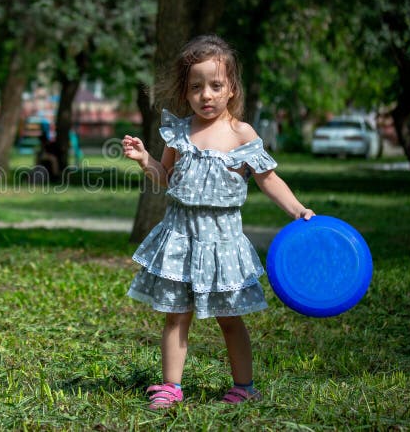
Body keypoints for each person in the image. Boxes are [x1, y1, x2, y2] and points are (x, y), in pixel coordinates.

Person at [122, 35, 314, 409]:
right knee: (176, 315)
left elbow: (268, 178)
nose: (205, 95)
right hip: (180, 236)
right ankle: (170, 386)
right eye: (196, 87)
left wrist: (297, 210)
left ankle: (244, 385)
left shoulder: (242, 134)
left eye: (215, 86)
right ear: (186, 91)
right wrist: (146, 161)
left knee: (229, 318)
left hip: (223, 241)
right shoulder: (179, 131)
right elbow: (166, 177)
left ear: (231, 89)